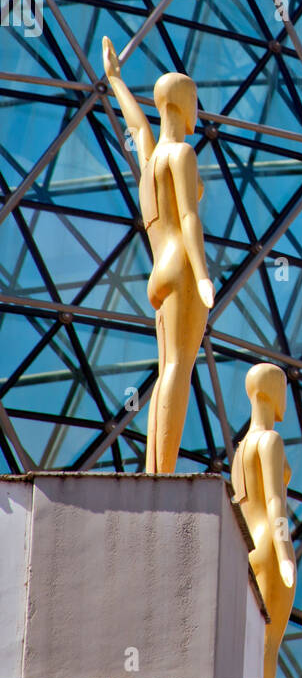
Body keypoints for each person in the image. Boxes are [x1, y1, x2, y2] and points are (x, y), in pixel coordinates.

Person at [102, 36, 214, 473]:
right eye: (195, 101)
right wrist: (203, 275)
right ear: (183, 104)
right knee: (179, 370)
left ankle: (154, 470)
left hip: (158, 271)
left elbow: (136, 128)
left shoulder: (150, 160)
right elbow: (188, 217)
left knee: (168, 368)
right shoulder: (182, 154)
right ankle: (163, 473)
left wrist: (115, 80)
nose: (198, 111)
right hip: (182, 267)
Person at [230, 363, 297, 678]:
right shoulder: (270, 441)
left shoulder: (240, 449)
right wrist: (284, 555)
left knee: (250, 646)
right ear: (269, 391)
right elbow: (275, 502)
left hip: (248, 548)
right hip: (270, 544)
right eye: (283, 387)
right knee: (268, 647)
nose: (286, 397)